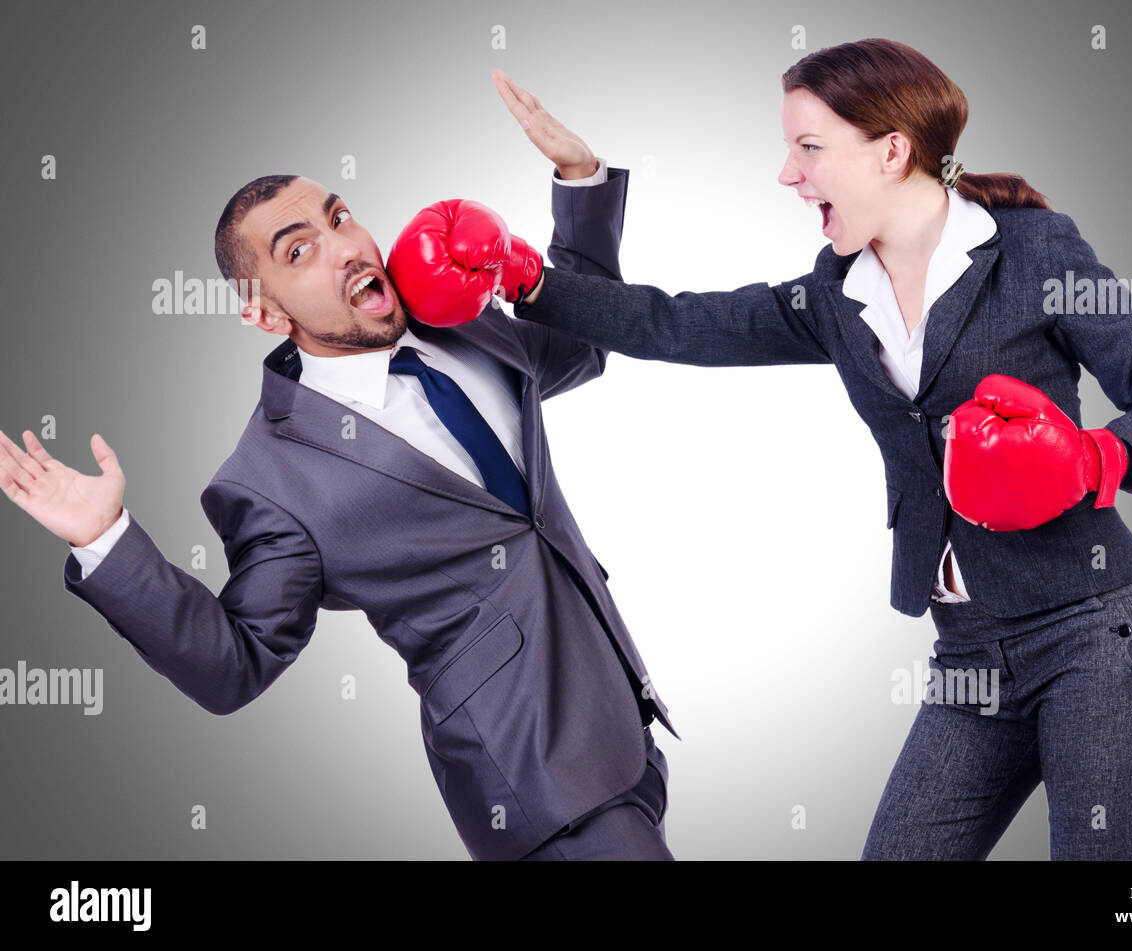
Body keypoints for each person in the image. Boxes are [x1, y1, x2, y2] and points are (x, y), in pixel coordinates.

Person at [498, 39, 1132, 860]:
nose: (787, 175)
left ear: (891, 151)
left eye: (809, 149)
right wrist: (532, 284)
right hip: (970, 656)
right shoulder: (835, 296)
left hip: (1096, 636)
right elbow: (679, 323)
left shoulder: (1035, 252)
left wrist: (1093, 461)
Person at [0, 93, 676, 861]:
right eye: (299, 251)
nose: (346, 247)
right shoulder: (272, 478)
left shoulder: (452, 317)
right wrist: (106, 541)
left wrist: (580, 183)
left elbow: (579, 349)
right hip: (536, 784)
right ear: (263, 314)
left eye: (340, 216)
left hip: (627, 726)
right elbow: (235, 662)